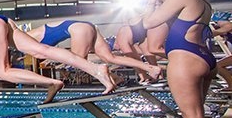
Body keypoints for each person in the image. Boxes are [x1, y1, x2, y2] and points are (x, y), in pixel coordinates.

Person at [27, 20, 163, 83]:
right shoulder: (25, 37)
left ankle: (114, 78)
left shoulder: (24, 39)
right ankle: (150, 68)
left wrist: (54, 59)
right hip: (87, 25)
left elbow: (46, 53)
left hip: (78, 28)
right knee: (110, 58)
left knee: (78, 62)